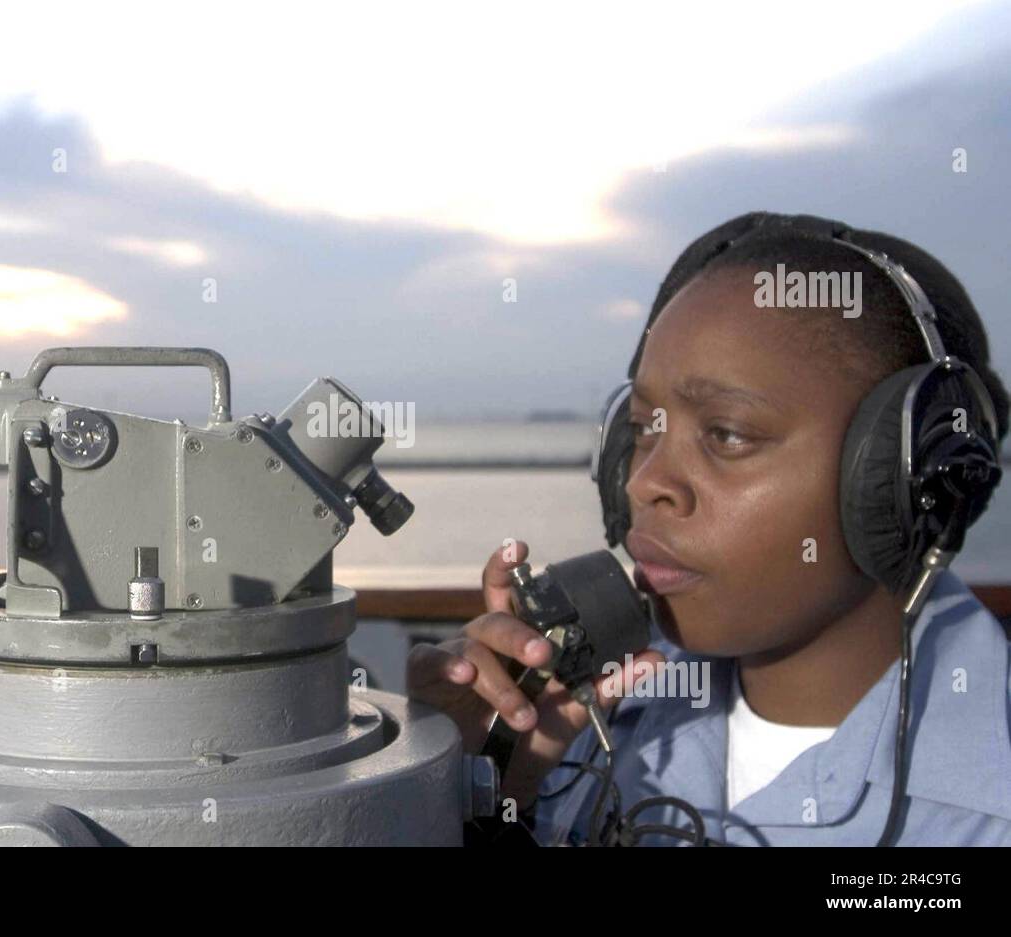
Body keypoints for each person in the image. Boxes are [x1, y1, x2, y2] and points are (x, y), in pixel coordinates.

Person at [407, 211, 1011, 846]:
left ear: (910, 478)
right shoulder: (584, 713)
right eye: (642, 431)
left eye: (726, 434)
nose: (644, 482)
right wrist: (473, 792)